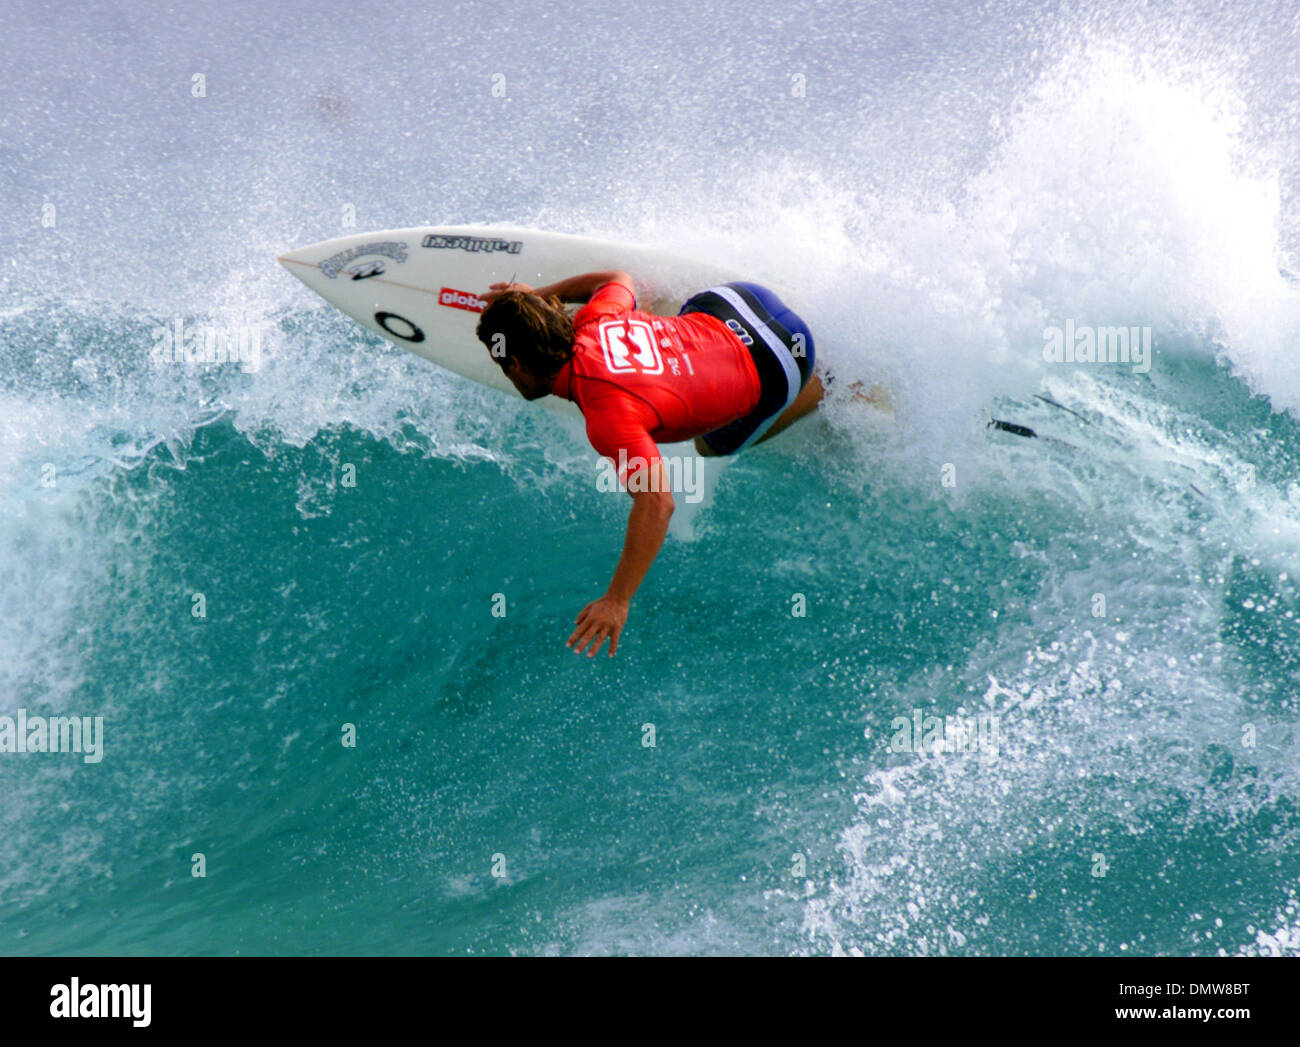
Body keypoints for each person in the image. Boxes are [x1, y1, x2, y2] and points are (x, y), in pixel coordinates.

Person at [476, 270, 824, 658]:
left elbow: (657, 503)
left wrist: (617, 599)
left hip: (783, 358)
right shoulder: (597, 318)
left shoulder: (607, 416)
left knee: (710, 445)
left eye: (502, 364)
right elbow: (616, 278)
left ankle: (820, 386)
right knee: (669, 331)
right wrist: (538, 296)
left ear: (519, 365)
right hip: (737, 300)